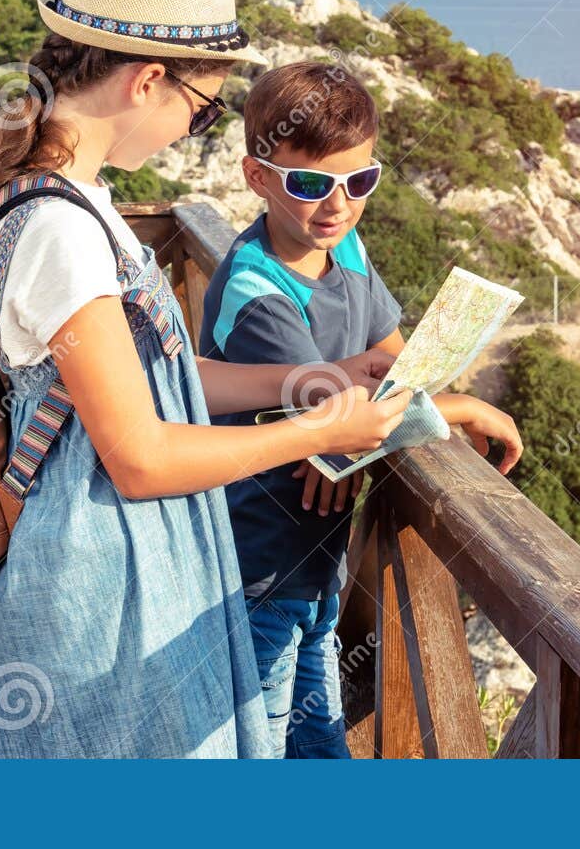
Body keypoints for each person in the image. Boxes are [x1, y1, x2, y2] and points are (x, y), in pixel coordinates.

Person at [0, 0, 411, 758]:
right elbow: (140, 457)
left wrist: (314, 380)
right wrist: (317, 431)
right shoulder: (62, 231)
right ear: (147, 82)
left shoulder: (65, 200)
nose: (188, 132)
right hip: (105, 592)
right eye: (201, 113)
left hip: (116, 571)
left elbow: (155, 380)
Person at [200, 60, 523, 758]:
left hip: (318, 561)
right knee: (263, 747)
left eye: (360, 181)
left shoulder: (343, 245)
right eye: (310, 184)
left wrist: (351, 435)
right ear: (257, 177)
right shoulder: (256, 293)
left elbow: (390, 365)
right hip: (256, 567)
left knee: (310, 740)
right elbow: (352, 411)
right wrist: (460, 407)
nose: (338, 205)